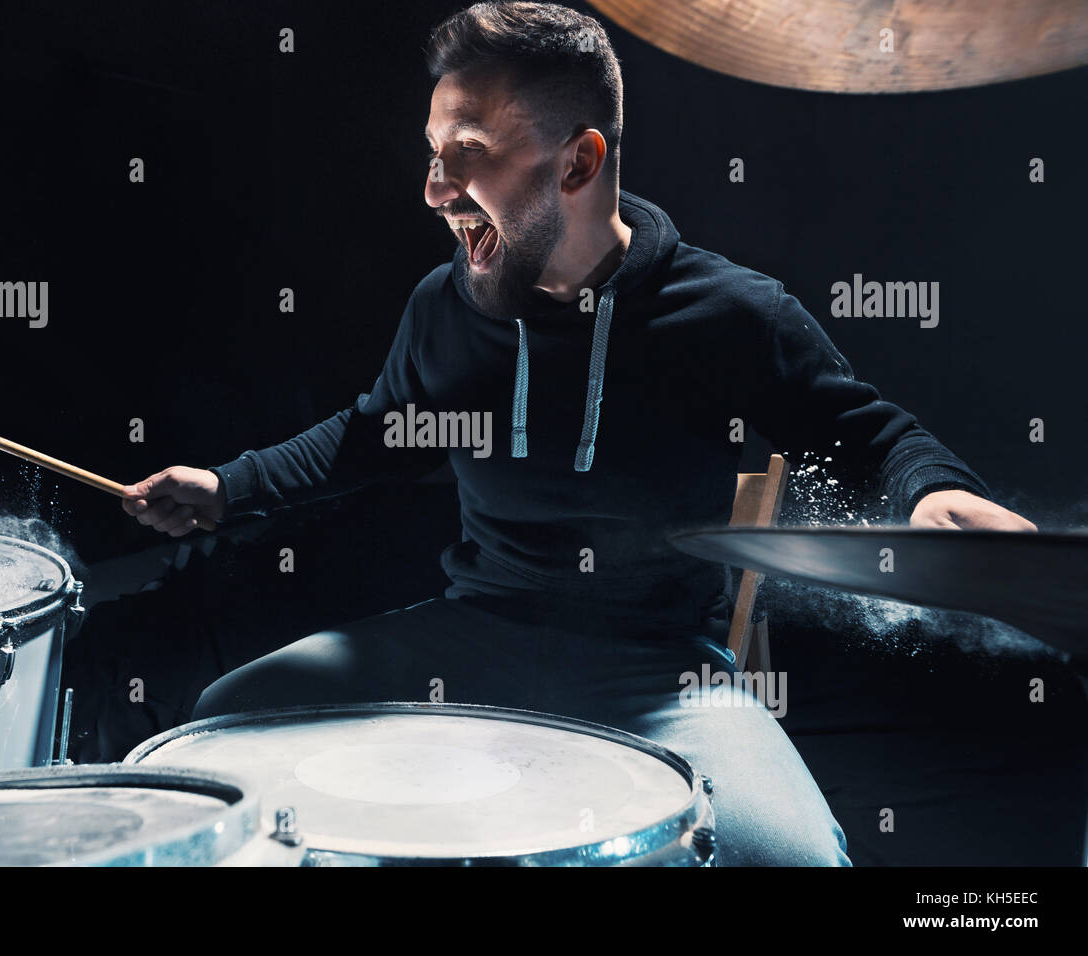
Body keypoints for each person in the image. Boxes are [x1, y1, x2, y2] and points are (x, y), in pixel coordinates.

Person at [118, 2, 1035, 865]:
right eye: (431, 153)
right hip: (471, 635)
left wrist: (938, 494)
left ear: (579, 163)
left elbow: (869, 435)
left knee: (796, 856)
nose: (434, 190)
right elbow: (371, 437)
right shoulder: (447, 303)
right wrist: (226, 486)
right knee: (221, 737)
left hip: (660, 677)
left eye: (465, 154)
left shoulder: (729, 314)